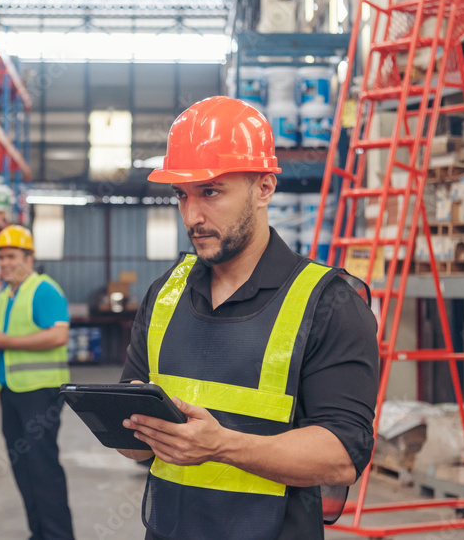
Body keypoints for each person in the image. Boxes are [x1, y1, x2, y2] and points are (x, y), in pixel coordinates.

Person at [117, 96, 379, 540]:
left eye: (210, 192)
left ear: (264, 188)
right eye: (182, 195)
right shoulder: (165, 293)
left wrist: (222, 446)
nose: (192, 216)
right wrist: (128, 424)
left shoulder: (329, 303)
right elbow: (133, 446)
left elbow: (341, 456)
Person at [0, 225, 75, 540]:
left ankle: (58, 536)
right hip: (11, 391)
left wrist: (7, 342)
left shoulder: (44, 290)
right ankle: (39, 533)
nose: (4, 263)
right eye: (1, 257)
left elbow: (58, 335)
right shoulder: (4, 297)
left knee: (43, 468)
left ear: (29, 259)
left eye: (11, 256)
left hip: (40, 393)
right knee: (24, 470)